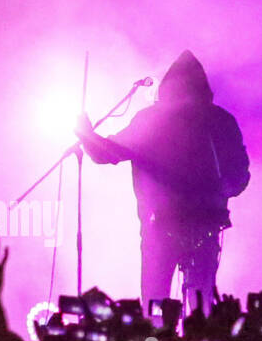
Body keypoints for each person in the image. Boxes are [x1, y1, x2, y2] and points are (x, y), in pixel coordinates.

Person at [75, 50, 251, 308]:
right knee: (201, 301)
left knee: (155, 301)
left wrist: (85, 133)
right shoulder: (221, 120)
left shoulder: (152, 119)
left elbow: (107, 153)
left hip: (163, 223)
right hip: (206, 222)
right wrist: (224, 189)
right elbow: (240, 173)